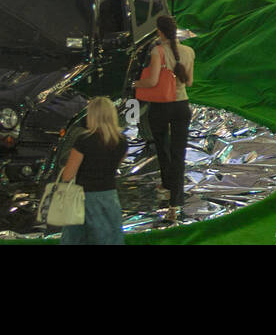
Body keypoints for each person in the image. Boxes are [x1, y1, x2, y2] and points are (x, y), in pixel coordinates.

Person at [133, 15, 194, 207]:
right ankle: (177, 197)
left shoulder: (157, 51)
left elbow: (152, 81)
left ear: (160, 32)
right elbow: (189, 82)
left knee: (162, 147)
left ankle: (167, 185)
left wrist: (134, 83)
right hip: (182, 105)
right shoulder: (189, 51)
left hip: (161, 107)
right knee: (179, 152)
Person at [58, 96, 127, 245]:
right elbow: (115, 166)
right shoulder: (122, 142)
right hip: (110, 197)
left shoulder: (84, 140)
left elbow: (68, 175)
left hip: (83, 199)